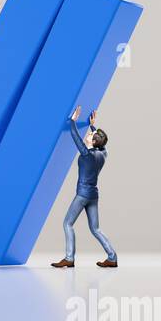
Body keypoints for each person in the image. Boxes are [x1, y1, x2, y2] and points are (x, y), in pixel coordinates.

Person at [51, 105, 118, 269]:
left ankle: (69, 258)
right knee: (95, 228)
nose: (88, 134)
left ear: (93, 141)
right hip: (93, 195)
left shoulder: (87, 155)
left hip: (82, 195)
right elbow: (102, 145)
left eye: (91, 135)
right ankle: (112, 257)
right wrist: (93, 125)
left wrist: (72, 121)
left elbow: (76, 139)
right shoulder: (102, 154)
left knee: (67, 223)